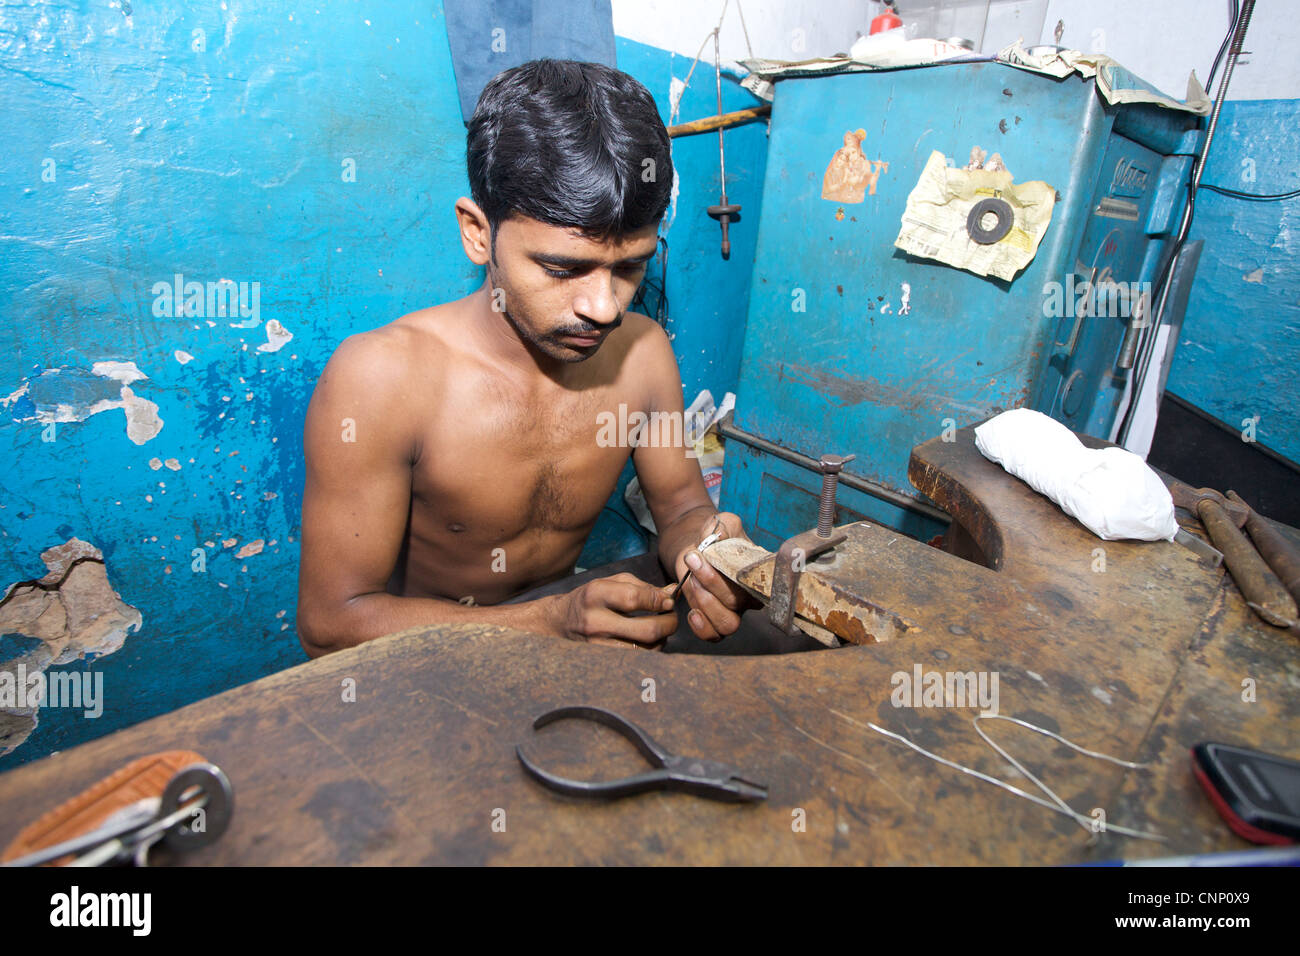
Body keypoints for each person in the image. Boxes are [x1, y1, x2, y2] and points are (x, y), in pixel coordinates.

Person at [296, 59, 756, 658]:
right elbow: (330, 623)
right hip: (428, 669)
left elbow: (681, 507)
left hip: (572, 643)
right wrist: (548, 624)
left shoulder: (643, 355)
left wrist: (710, 553)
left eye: (630, 267)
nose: (604, 308)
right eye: (563, 268)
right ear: (478, 232)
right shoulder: (382, 380)